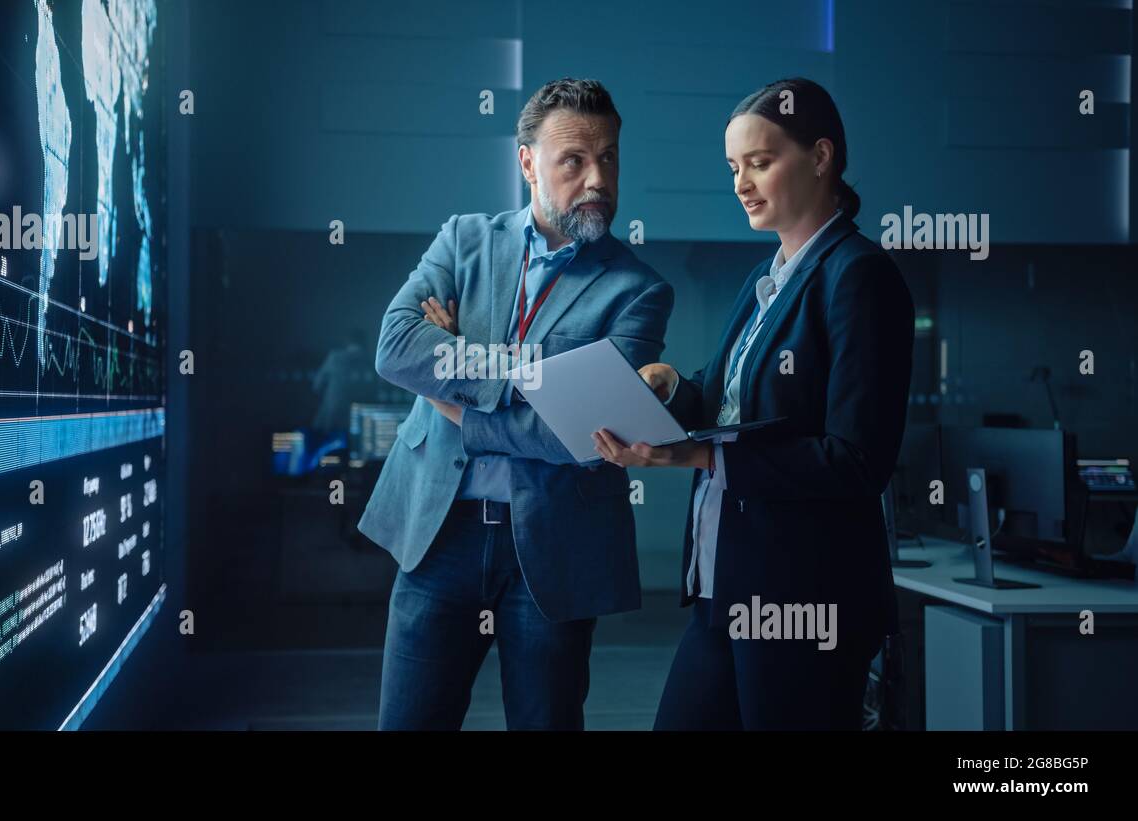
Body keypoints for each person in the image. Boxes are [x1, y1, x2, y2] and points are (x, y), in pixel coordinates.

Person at [593, 77, 914, 730]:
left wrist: (705, 456)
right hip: (727, 585)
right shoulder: (766, 278)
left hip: (804, 598)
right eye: (735, 167)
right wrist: (674, 388)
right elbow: (727, 398)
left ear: (820, 157)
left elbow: (855, 459)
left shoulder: (859, 276)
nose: (741, 182)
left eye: (760, 162)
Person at [359, 78, 673, 730]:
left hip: (553, 552)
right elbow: (395, 347)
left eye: (609, 156)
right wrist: (533, 374)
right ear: (527, 161)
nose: (597, 177)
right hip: (437, 536)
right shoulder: (464, 240)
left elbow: (578, 438)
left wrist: (454, 371)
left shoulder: (638, 290)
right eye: (575, 159)